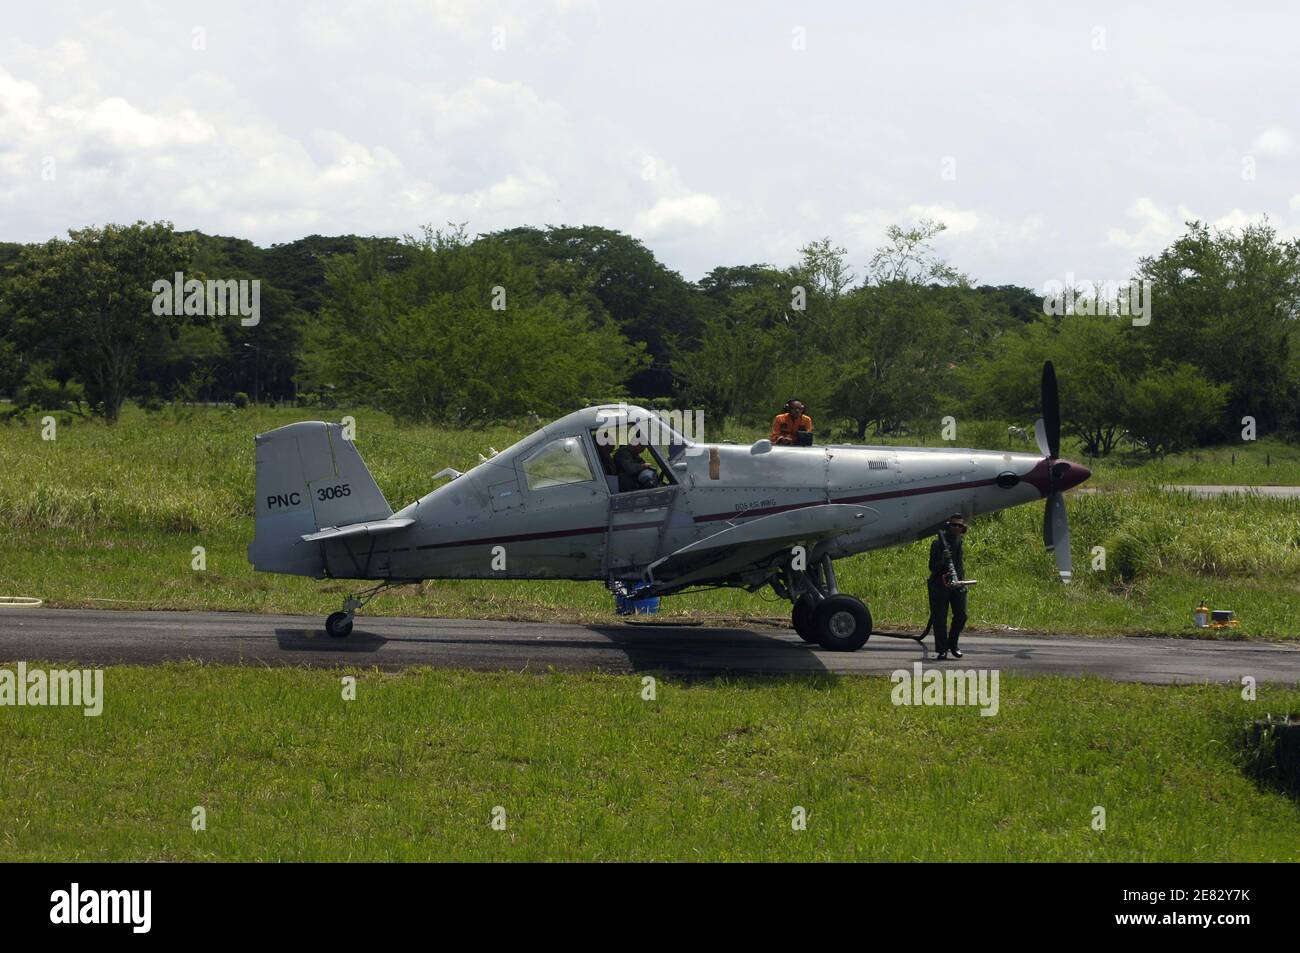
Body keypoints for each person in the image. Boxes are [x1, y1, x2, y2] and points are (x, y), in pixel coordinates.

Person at [927, 514, 969, 660]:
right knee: (940, 618)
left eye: (959, 526)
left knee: (962, 615)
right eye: (954, 525)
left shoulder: (960, 542)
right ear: (948, 526)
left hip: (957, 583)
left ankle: (953, 644)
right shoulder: (938, 544)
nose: (956, 528)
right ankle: (942, 649)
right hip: (939, 584)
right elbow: (932, 568)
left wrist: (961, 581)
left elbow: (959, 565)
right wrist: (943, 561)